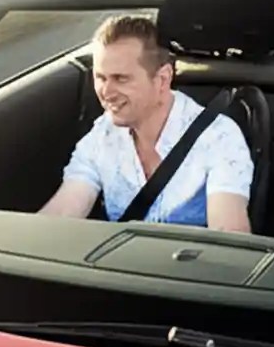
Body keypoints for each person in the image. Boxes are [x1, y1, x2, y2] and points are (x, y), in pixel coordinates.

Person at [39, 15, 254, 232]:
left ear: (162, 79)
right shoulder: (101, 137)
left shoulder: (219, 137)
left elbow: (228, 235)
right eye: (101, 78)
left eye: (121, 79)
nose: (106, 92)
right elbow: (61, 214)